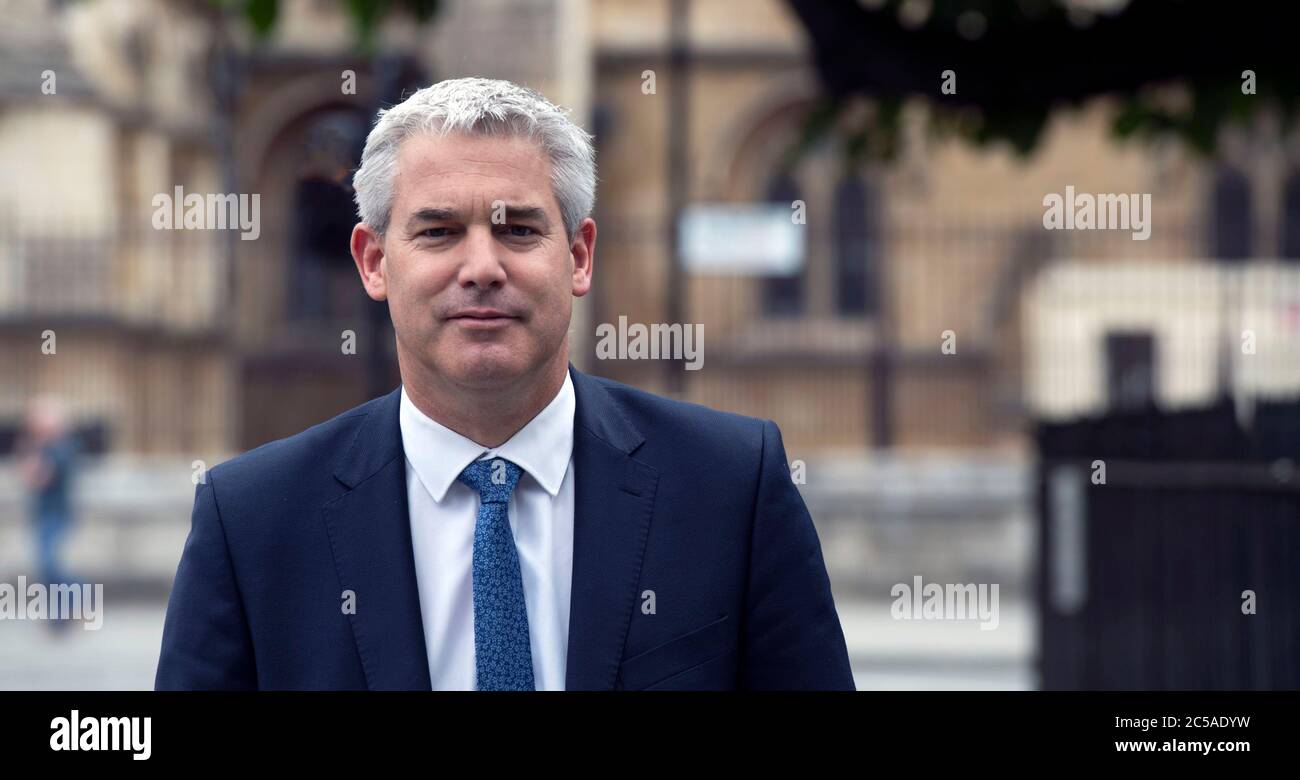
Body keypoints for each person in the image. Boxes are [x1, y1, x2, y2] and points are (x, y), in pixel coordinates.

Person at [156, 77, 854, 690]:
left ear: (579, 257)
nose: (482, 266)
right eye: (438, 232)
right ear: (373, 262)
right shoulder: (250, 519)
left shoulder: (731, 487)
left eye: (518, 230)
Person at [17, 394, 81, 633]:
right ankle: (59, 615)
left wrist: (31, 457)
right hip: (44, 514)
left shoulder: (60, 448)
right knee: (46, 567)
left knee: (49, 563)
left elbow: (39, 477)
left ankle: (80, 594)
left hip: (57, 514)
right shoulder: (47, 448)